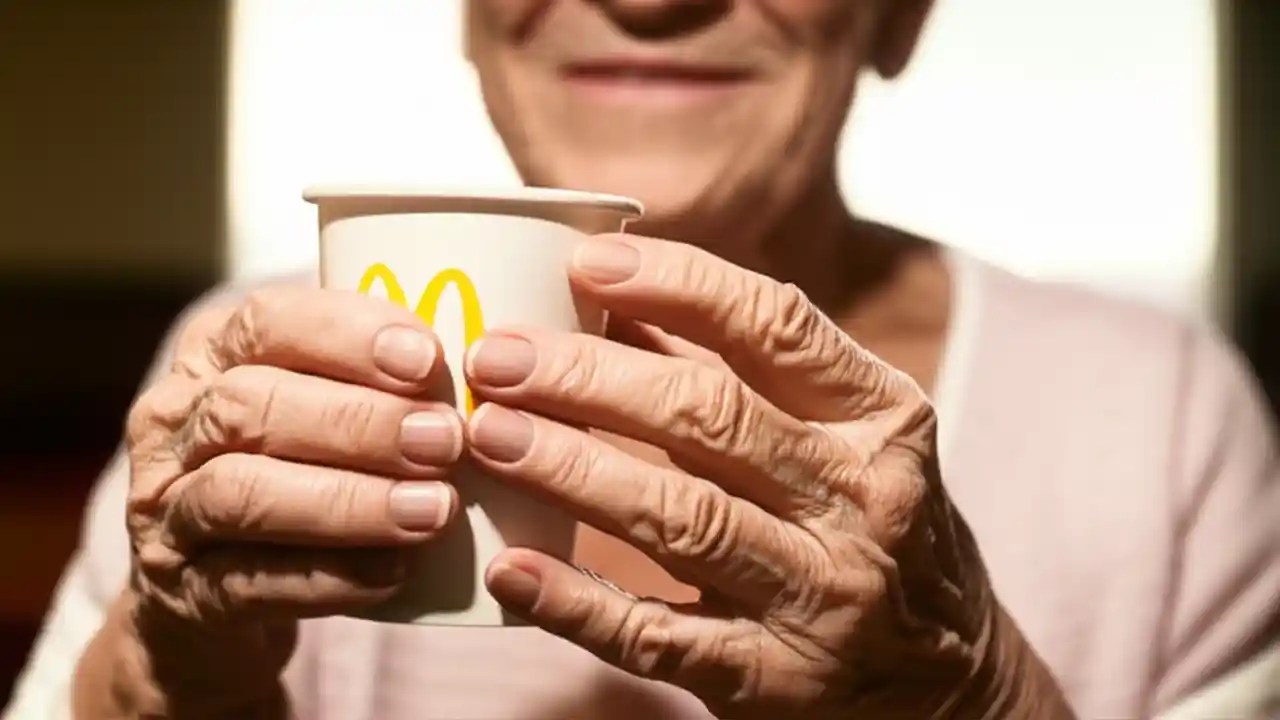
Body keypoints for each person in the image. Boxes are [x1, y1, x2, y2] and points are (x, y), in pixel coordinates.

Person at [6, 1, 1278, 718]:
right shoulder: (252, 376)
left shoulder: (1158, 416)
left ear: (899, 16)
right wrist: (170, 674)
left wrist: (973, 697)